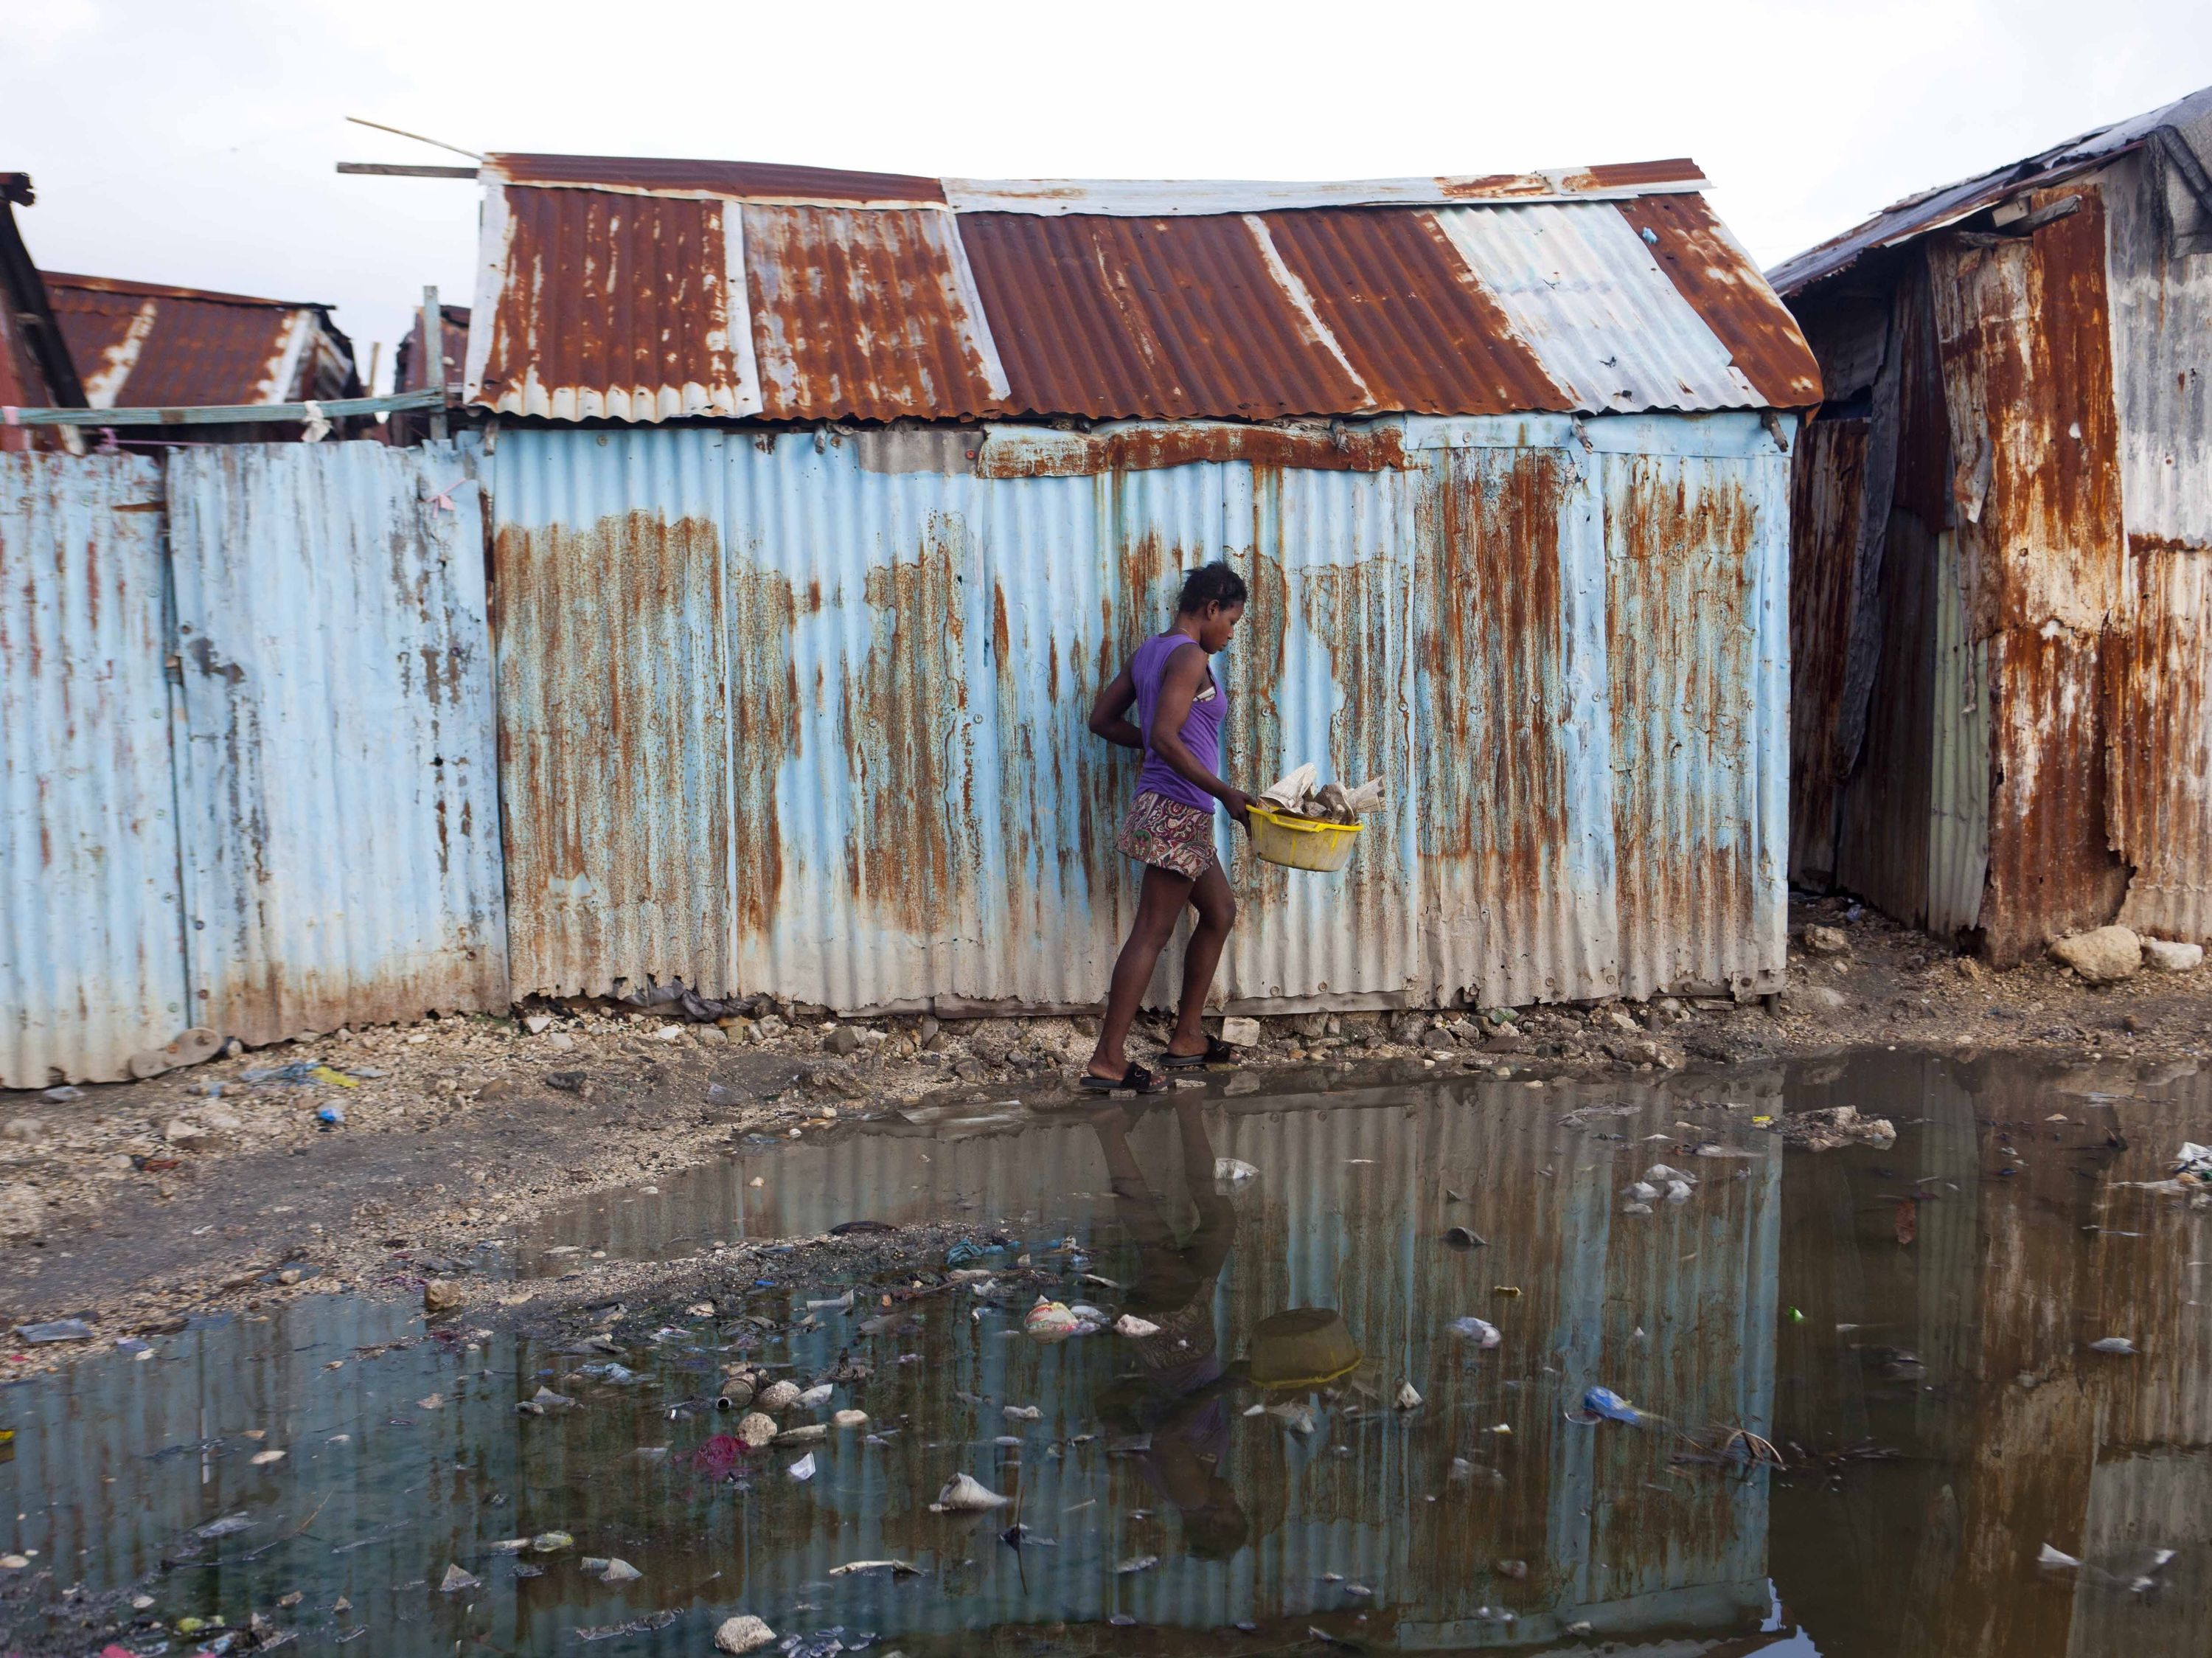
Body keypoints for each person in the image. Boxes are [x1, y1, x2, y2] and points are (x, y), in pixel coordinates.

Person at [1084, 562, 1251, 1093]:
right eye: (1232, 621)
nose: (1230, 634)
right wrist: (1225, 792)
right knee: (1152, 931)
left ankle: (1186, 1038)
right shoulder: (1189, 655)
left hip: (1174, 805)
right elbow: (1165, 733)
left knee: (1220, 911)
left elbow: (1104, 722)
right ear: (1211, 609)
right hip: (1179, 807)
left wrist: (1158, 749)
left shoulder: (1150, 651)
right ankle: (1108, 1061)